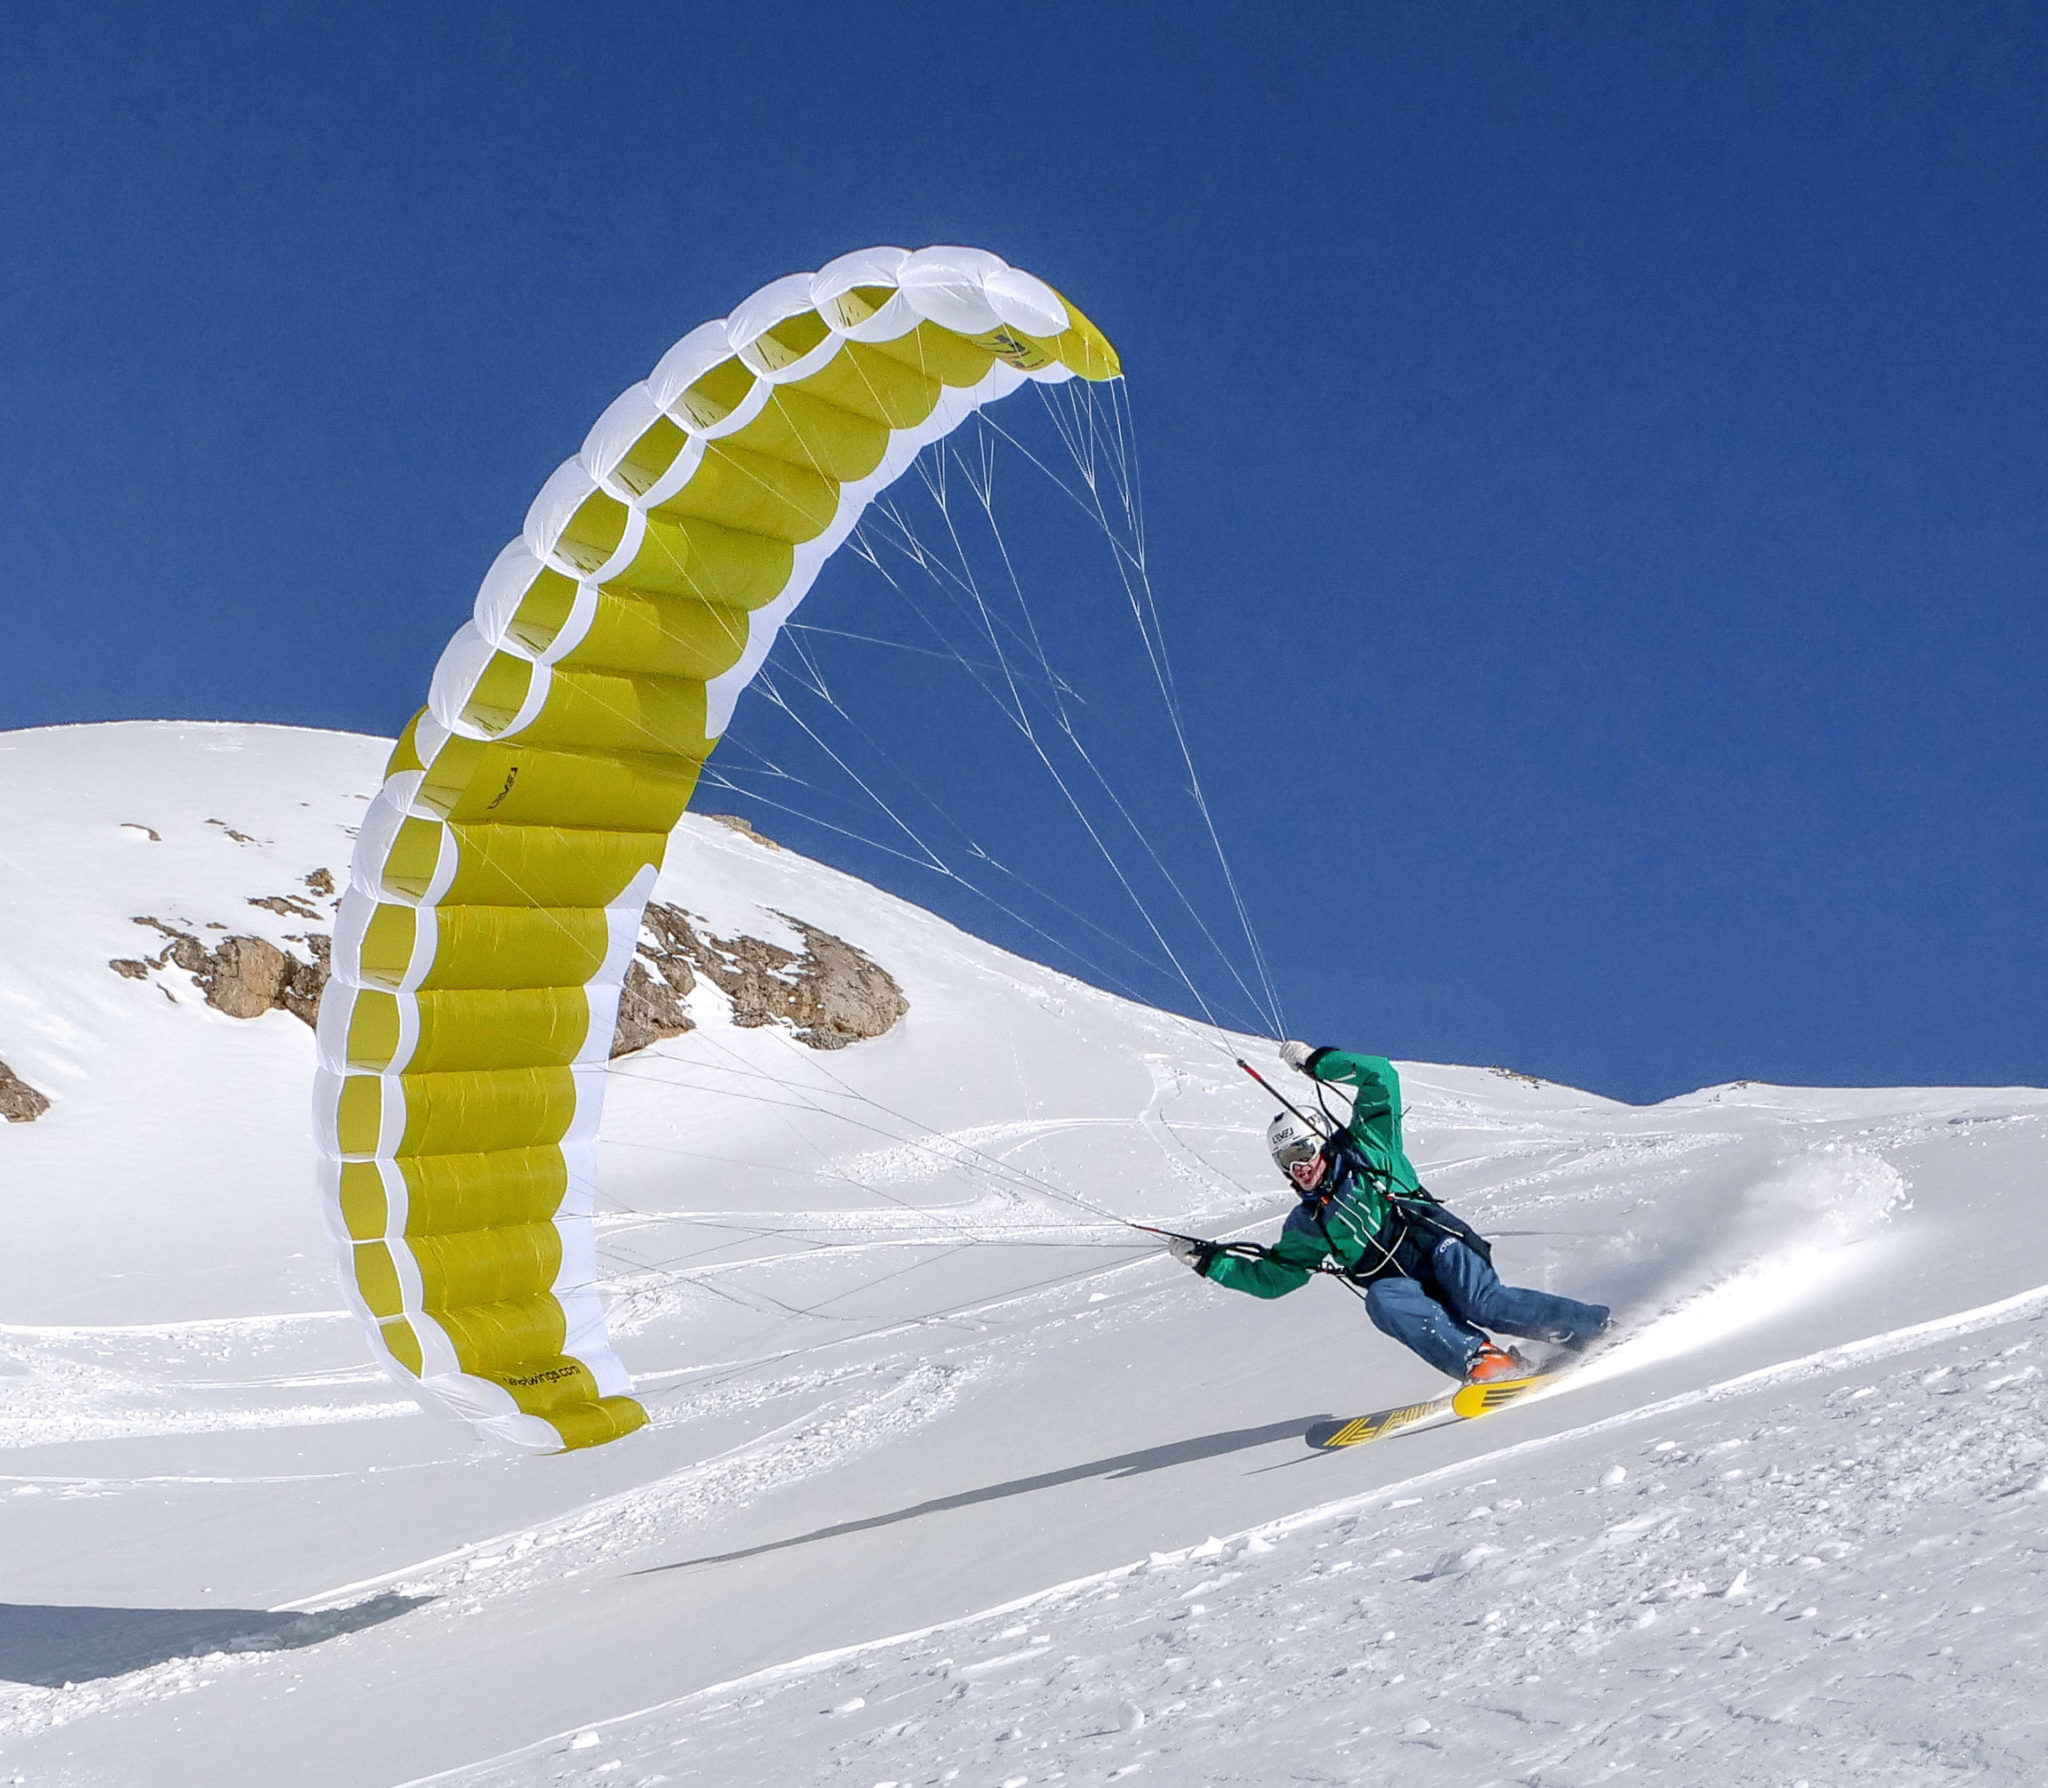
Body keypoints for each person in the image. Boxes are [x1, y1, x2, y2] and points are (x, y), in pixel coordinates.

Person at [1168, 1042, 1609, 1384]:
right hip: (1400, 1285)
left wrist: (1318, 1062)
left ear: (1320, 1139)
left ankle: (1590, 1327)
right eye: (1286, 1161)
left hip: (1438, 1246)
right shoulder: (1308, 1225)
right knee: (1381, 1301)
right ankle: (1484, 1361)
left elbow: (1380, 1077)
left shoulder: (1370, 1148)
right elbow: (1273, 1279)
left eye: (1301, 1150)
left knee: (1481, 1301)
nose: (1299, 1167)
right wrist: (1209, 1263)